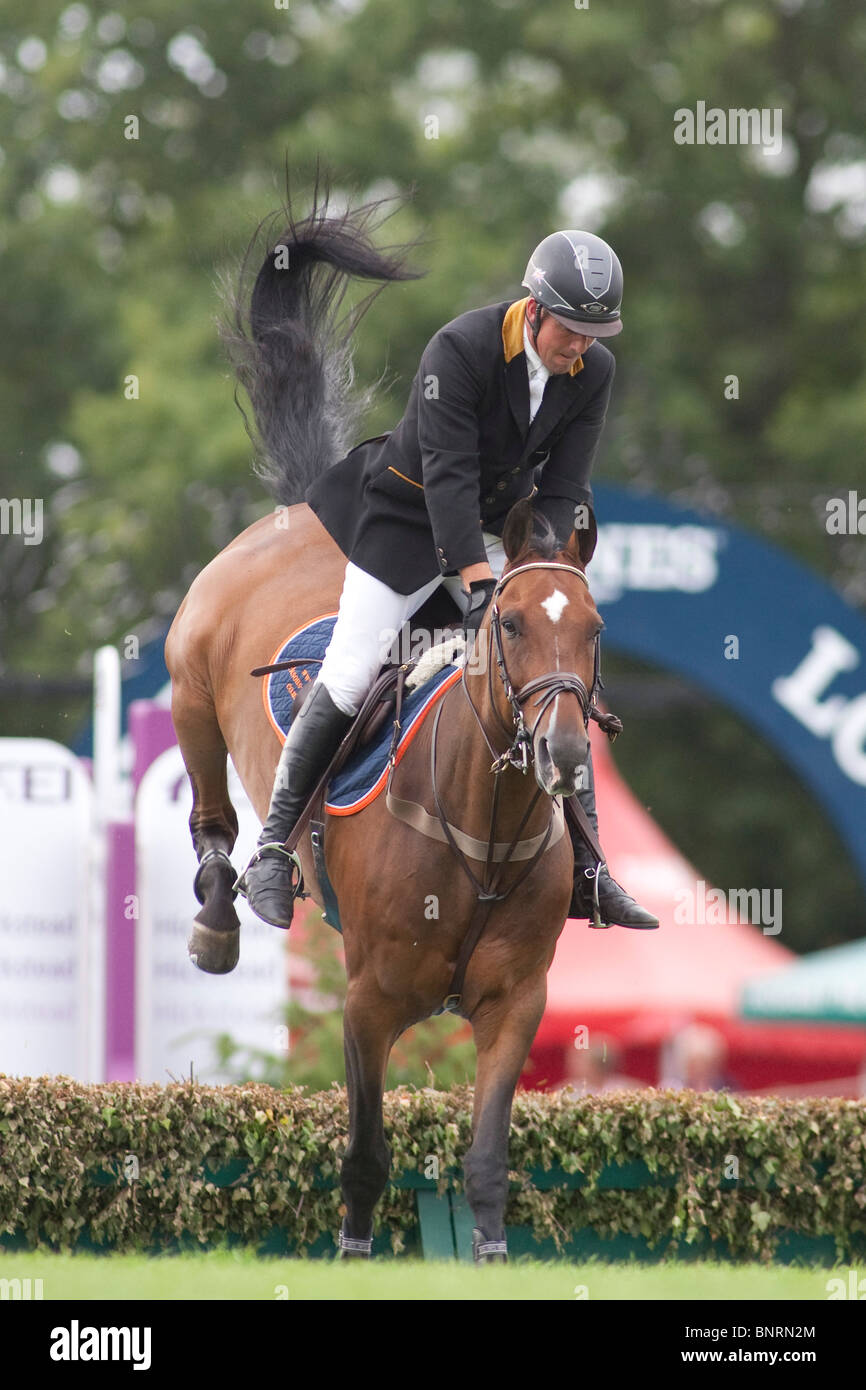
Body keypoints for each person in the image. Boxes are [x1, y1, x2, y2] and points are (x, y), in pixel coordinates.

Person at [236, 229, 659, 934]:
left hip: (501, 528)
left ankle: (591, 870)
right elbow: (450, 483)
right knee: (350, 671)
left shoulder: (596, 372)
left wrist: (537, 569)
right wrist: (478, 584)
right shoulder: (459, 351)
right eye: (572, 330)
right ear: (535, 309)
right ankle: (273, 850)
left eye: (593, 334)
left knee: (558, 669)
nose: (580, 346)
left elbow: (563, 486)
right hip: (407, 519)